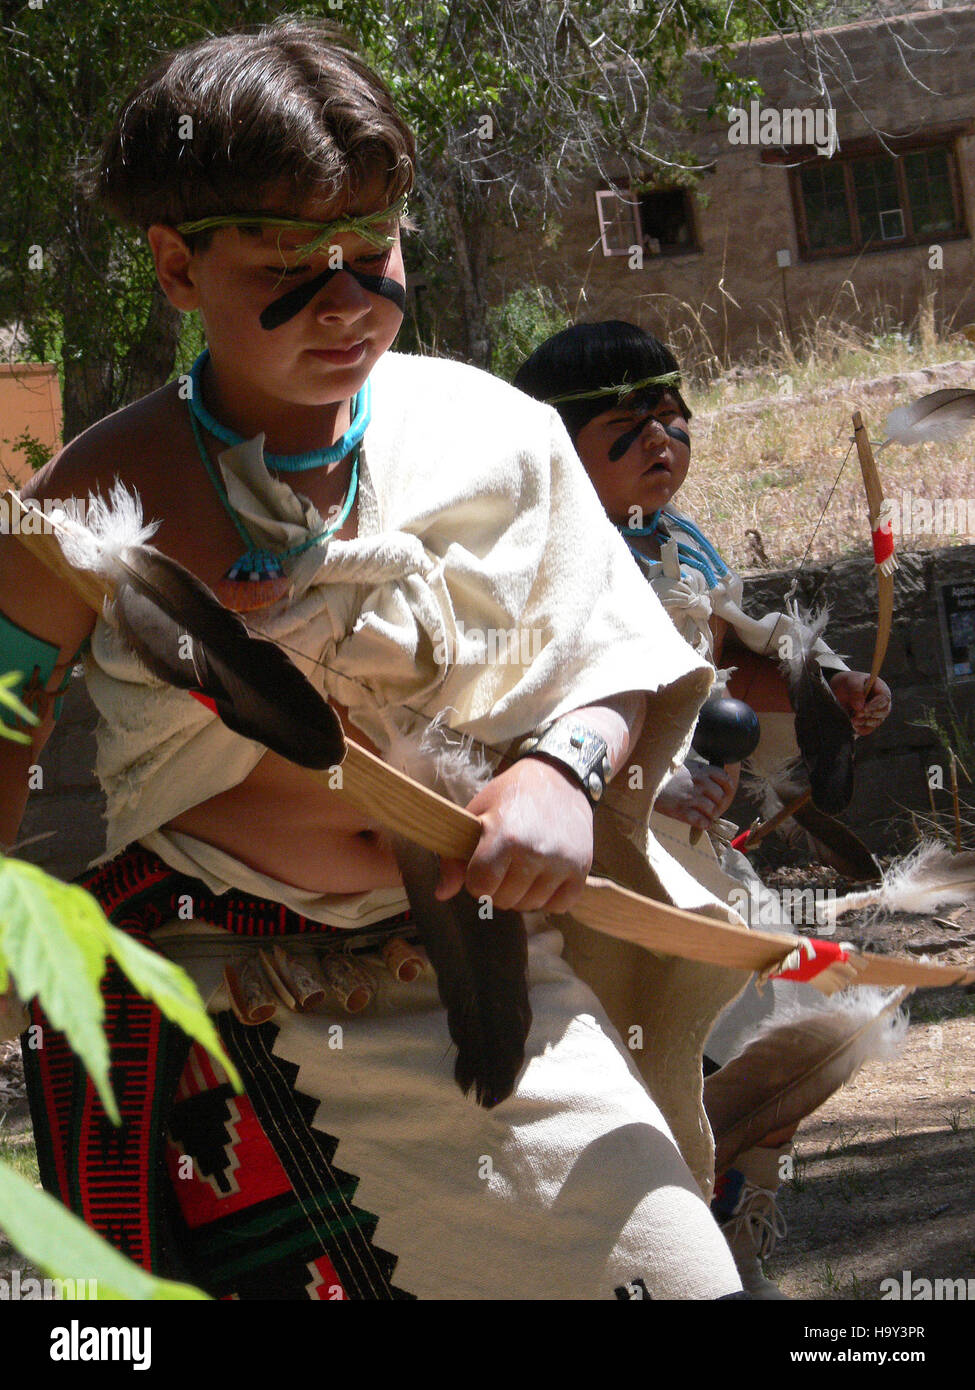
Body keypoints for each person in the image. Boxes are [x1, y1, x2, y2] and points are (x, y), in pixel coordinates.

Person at [0, 24, 750, 1300]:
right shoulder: (90, 504)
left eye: (374, 252)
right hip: (225, 1021)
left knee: (676, 1280)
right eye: (291, 268)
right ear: (176, 266)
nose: (348, 303)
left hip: (495, 975)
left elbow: (612, 653)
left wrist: (563, 773)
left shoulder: (496, 436)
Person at [514, 320, 893, 1296]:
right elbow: (512, 716)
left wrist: (828, 690)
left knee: (780, 1028)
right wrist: (631, 779)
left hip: (694, 850)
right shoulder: (521, 564)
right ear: (559, 444)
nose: (664, 444)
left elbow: (734, 664)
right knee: (635, 1071)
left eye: (676, 421)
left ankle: (733, 1241)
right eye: (631, 428)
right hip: (588, 868)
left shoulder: (677, 548)